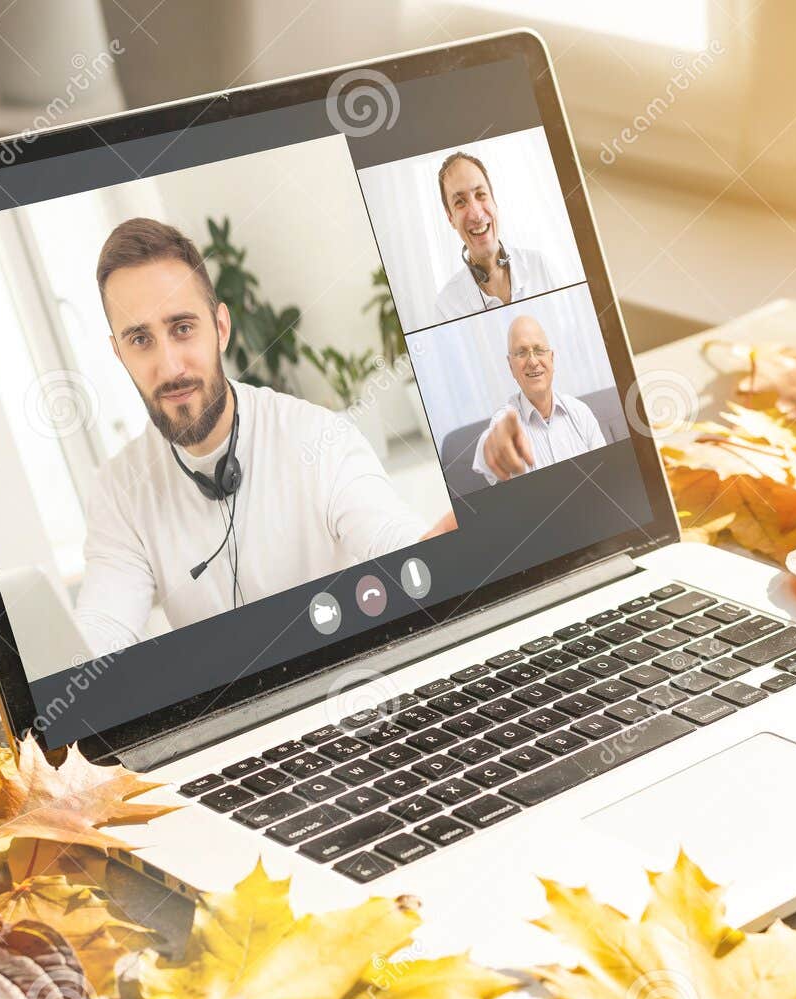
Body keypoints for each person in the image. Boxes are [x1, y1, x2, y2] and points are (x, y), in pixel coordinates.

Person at [74, 217, 452, 658]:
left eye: (182, 328)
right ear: (119, 354)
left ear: (220, 328)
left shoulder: (318, 436)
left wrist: (434, 554)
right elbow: (103, 627)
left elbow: (389, 534)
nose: (170, 366)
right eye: (141, 339)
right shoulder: (120, 491)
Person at [472, 314, 606, 485]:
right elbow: (490, 445)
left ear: (552, 358)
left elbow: (605, 473)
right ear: (510, 366)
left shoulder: (580, 412)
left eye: (539, 350)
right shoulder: (505, 421)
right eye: (521, 353)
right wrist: (490, 446)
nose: (533, 361)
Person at [434, 151, 558, 321]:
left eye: (480, 195)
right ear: (450, 218)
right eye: (460, 202)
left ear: (494, 200)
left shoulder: (540, 267)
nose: (476, 215)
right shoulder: (447, 307)